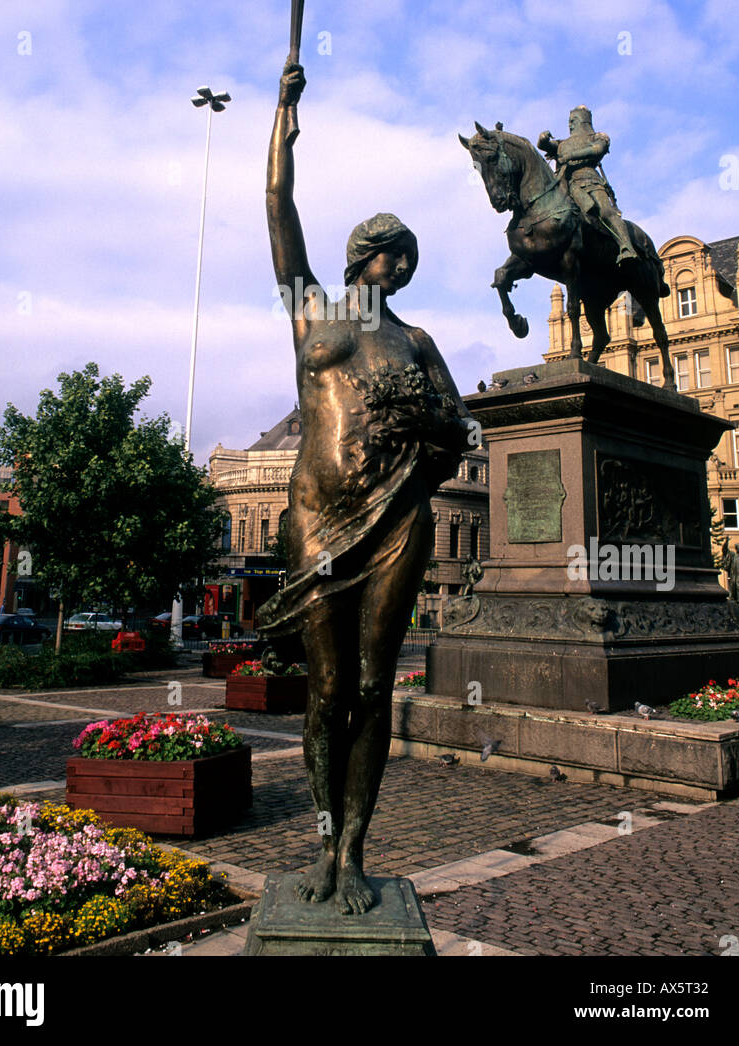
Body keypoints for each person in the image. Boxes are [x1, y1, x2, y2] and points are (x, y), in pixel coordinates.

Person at [258, 61, 472, 915]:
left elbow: (457, 431)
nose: (403, 269)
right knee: (327, 690)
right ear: (364, 257)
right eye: (395, 256)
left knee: (376, 686)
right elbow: (277, 208)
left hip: (396, 525)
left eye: (410, 260)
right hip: (318, 525)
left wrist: (419, 452)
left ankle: (354, 853)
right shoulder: (312, 310)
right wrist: (283, 116)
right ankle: (320, 843)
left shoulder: (418, 342)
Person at [538, 106, 638, 264]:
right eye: (569, 122)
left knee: (605, 212)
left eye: (573, 121)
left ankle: (626, 246)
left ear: (581, 121)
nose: (570, 125)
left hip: (589, 181)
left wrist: (570, 156)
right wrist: (542, 139)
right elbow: (543, 146)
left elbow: (597, 150)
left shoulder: (598, 136)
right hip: (566, 186)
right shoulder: (562, 144)